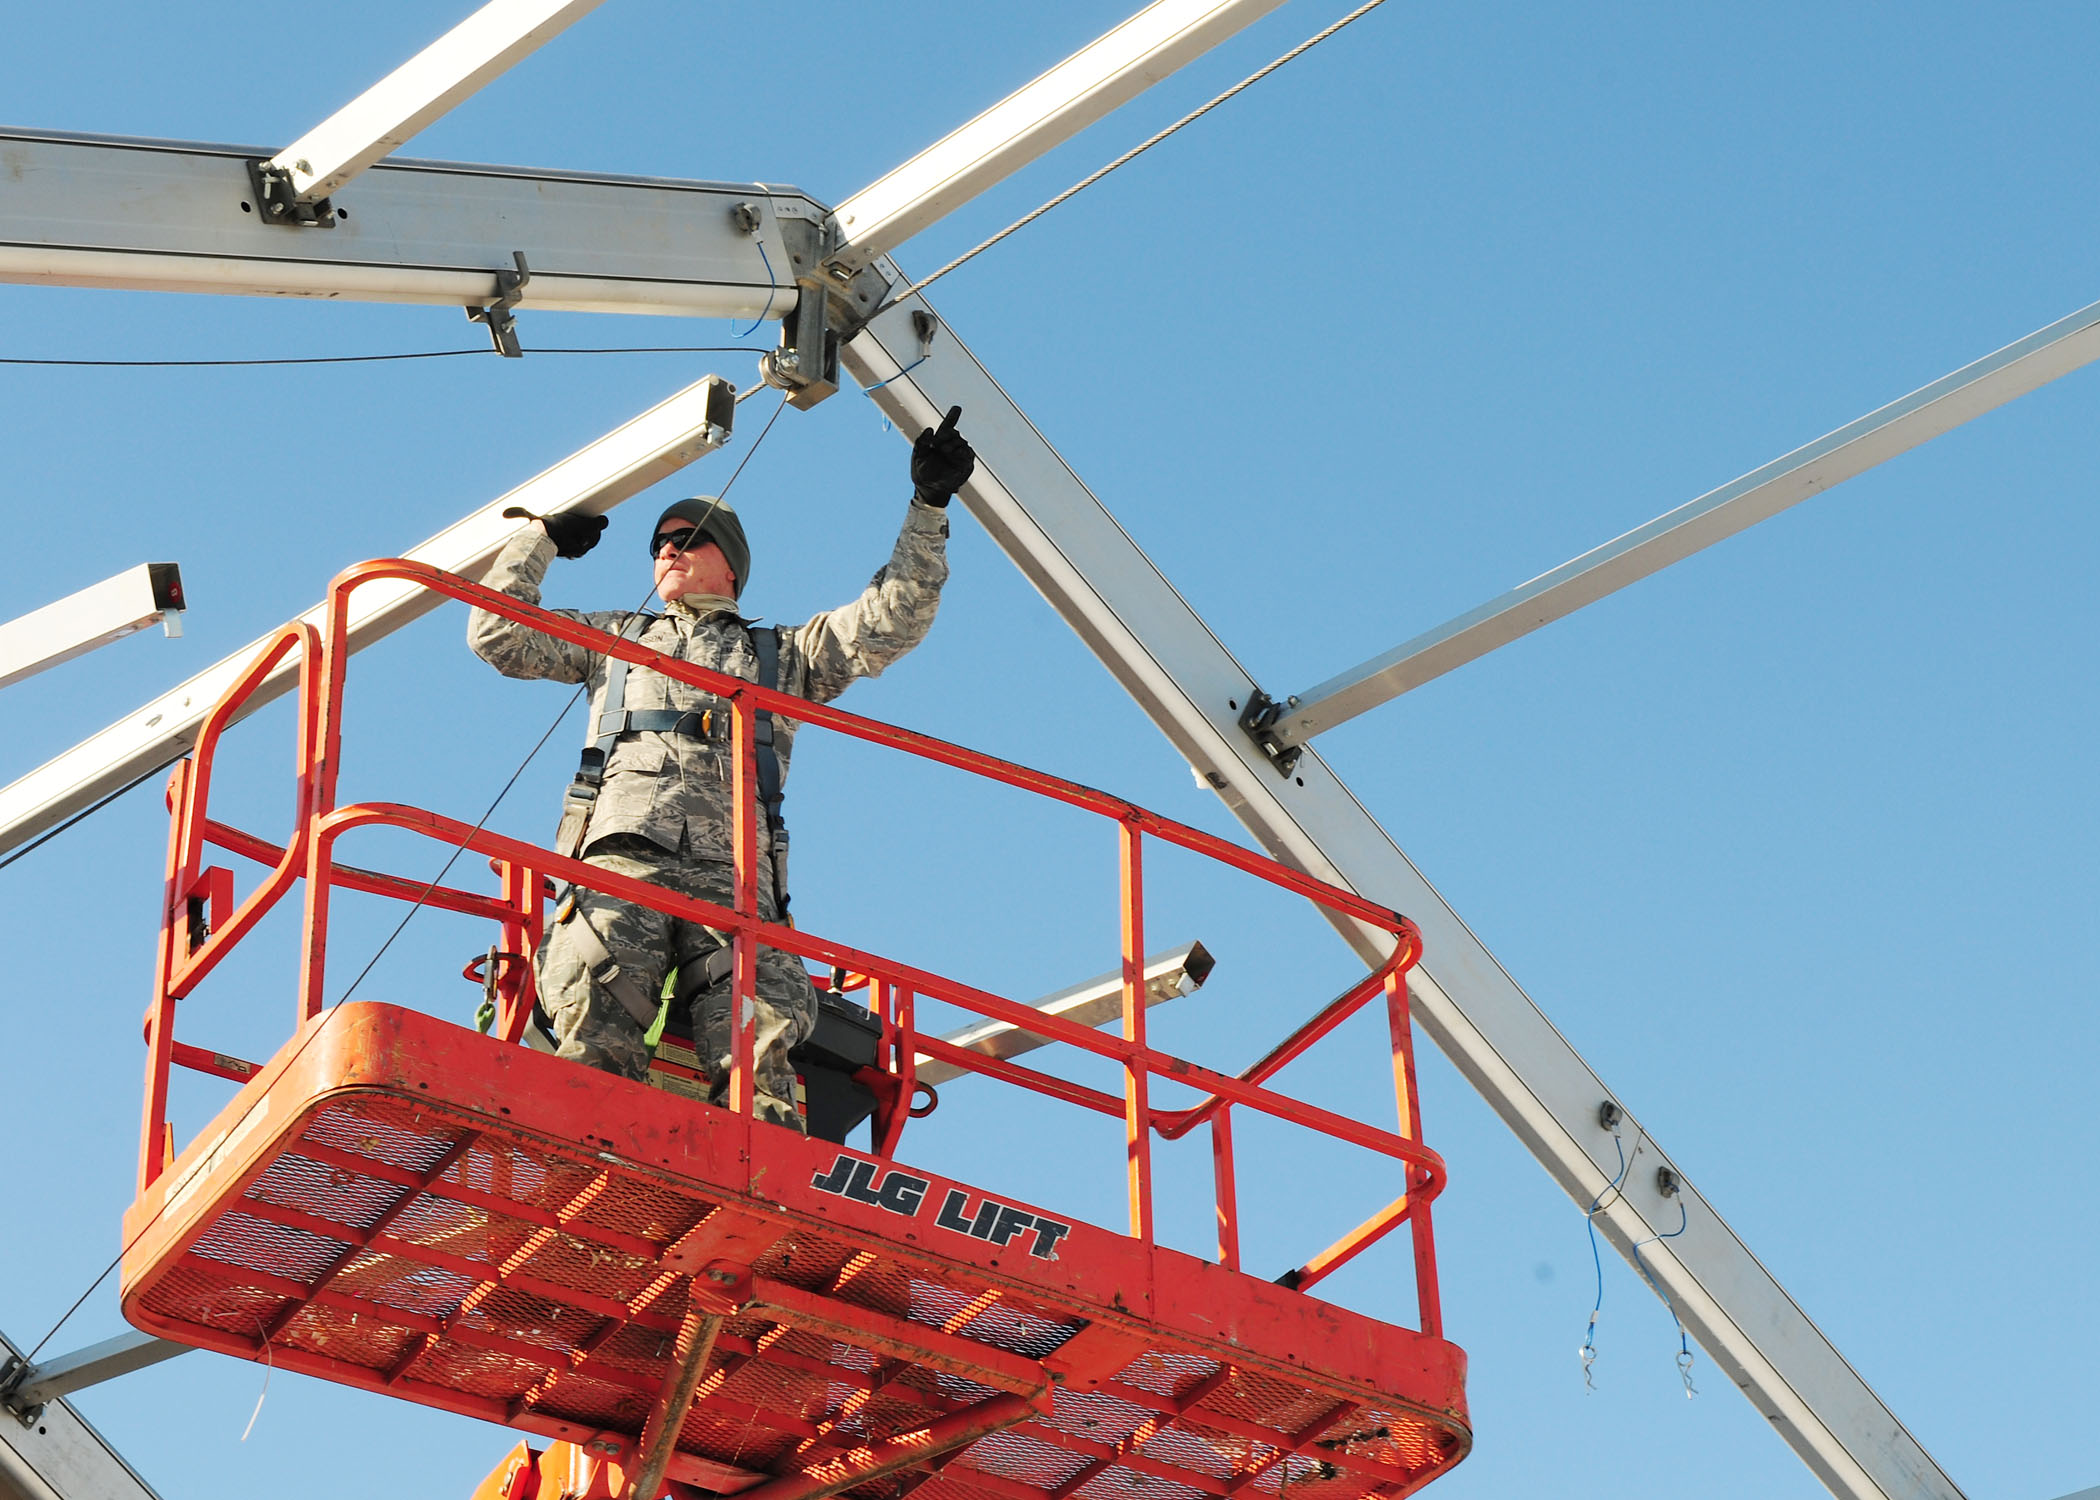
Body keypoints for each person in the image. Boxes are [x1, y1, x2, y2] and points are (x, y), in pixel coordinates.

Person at [467, 407, 976, 1131]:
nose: (669, 550)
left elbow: (891, 620)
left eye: (689, 539)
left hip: (737, 886)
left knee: (759, 1039)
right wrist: (538, 539)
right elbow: (496, 632)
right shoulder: (616, 639)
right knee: (591, 1018)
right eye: (660, 543)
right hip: (623, 865)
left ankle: (766, 1195)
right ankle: (578, 1167)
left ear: (729, 563)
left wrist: (928, 508)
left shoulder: (783, 658)